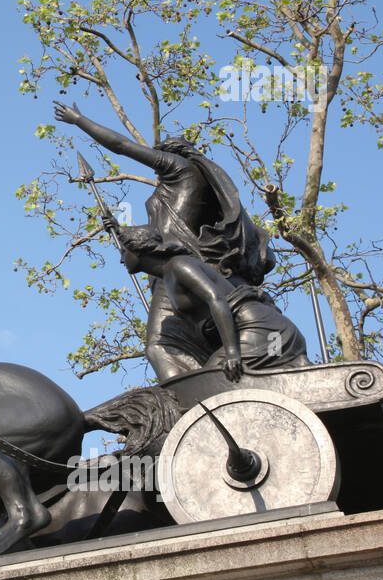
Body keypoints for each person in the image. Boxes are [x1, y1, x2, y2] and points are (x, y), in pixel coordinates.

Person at [54, 103, 275, 380]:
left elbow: (122, 145)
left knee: (160, 346)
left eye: (159, 156)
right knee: (168, 346)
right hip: (165, 270)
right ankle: (202, 389)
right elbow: (159, 231)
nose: (155, 162)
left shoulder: (181, 169)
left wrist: (79, 119)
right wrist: (121, 231)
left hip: (181, 267)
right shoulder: (172, 188)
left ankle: (192, 397)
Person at [117, 225, 309, 379]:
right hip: (254, 329)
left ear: (138, 249)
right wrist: (116, 227)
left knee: (210, 380)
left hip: (262, 330)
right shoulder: (167, 277)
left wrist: (232, 352)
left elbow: (215, 299)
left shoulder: (179, 265)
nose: (121, 259)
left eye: (124, 251)